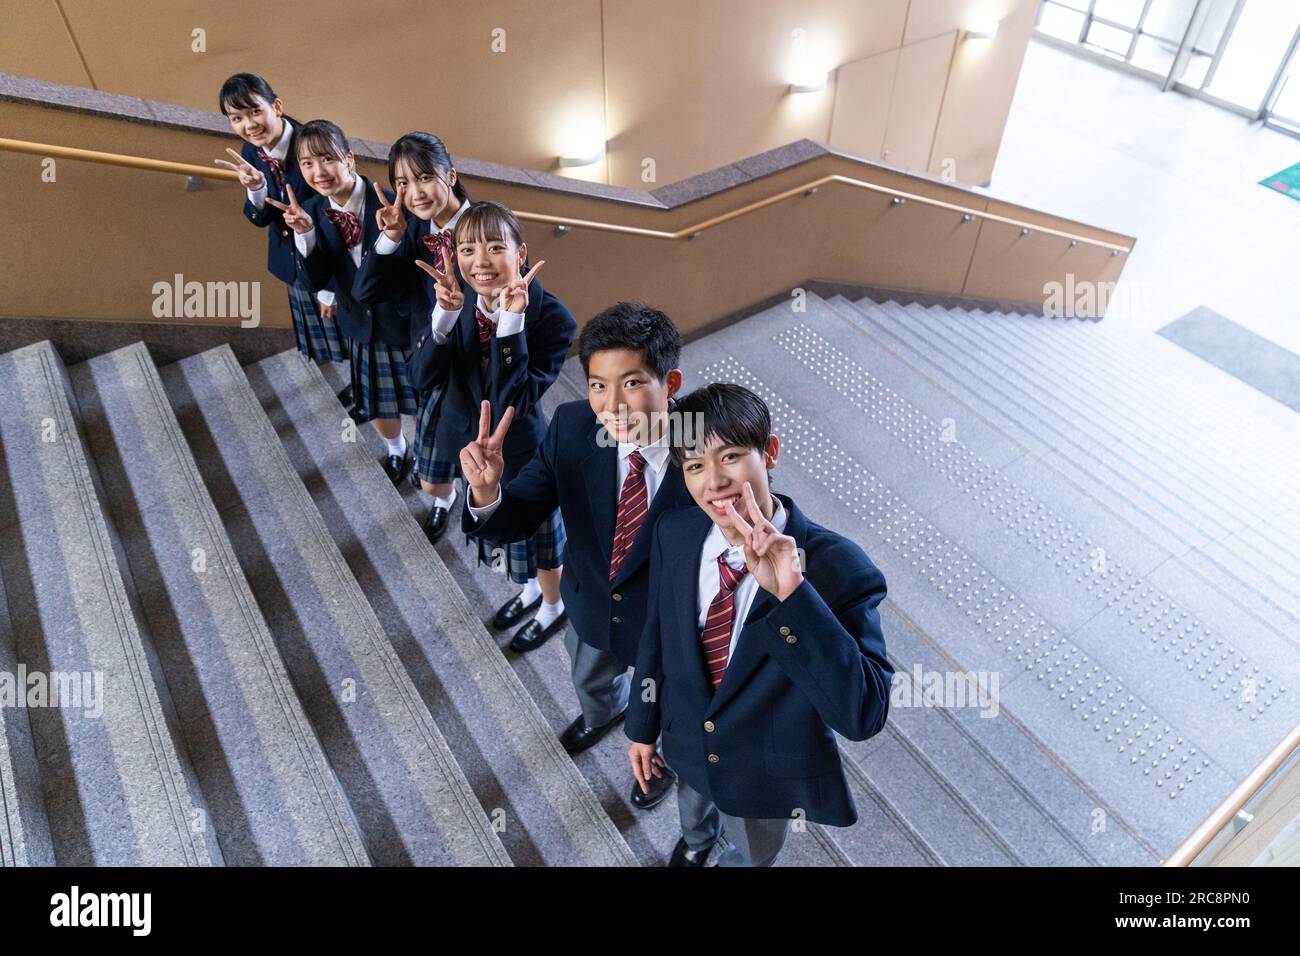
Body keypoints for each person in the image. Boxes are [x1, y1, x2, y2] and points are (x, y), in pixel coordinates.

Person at [626, 382, 893, 866]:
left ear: (769, 452)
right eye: (694, 466)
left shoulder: (840, 568)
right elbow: (657, 636)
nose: (714, 482)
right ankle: (695, 841)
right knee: (693, 810)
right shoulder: (675, 532)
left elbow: (864, 713)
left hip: (762, 775)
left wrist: (793, 595)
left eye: (729, 457)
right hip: (684, 742)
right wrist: (642, 726)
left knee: (748, 855)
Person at [461, 304, 692, 808]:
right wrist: (487, 492)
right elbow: (518, 517)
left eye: (632, 383)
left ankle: (661, 764)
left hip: (676, 633)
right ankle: (605, 714)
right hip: (592, 608)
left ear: (670, 381)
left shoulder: (709, 451)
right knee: (590, 681)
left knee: (674, 717)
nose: (612, 405)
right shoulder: (570, 426)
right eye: (597, 385)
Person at [408, 201, 575, 641]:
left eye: (494, 247)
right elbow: (421, 378)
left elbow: (513, 399)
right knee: (502, 534)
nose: (479, 262)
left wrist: (511, 324)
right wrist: (442, 320)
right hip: (469, 445)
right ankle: (526, 590)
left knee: (539, 544)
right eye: (467, 250)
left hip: (519, 450)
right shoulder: (453, 299)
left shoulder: (554, 319)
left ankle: (553, 605)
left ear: (520, 253)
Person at [273, 119, 419, 485]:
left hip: (407, 323)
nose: (318, 172)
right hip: (361, 325)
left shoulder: (394, 203)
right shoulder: (310, 211)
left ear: (349, 159)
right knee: (380, 403)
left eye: (326, 159)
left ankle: (437, 476)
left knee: (427, 401)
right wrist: (304, 235)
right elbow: (315, 278)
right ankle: (397, 450)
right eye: (307, 163)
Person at [352, 131, 472, 539]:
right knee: (433, 478)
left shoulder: (490, 226)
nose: (414, 192)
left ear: (450, 175)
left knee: (485, 465)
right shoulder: (414, 228)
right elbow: (365, 291)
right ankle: (445, 498)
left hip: (478, 369)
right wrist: (391, 238)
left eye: (424, 178)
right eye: (403, 183)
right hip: (431, 359)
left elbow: (551, 320)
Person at [213, 73, 351, 408]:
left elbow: (340, 221)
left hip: (335, 266)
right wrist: (256, 188)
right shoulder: (251, 150)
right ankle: (358, 384)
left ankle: (366, 388)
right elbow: (262, 218)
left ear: (276, 106)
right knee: (331, 338)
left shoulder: (313, 146)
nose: (249, 125)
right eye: (237, 118)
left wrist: (328, 288)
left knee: (354, 333)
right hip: (294, 261)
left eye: (254, 111)